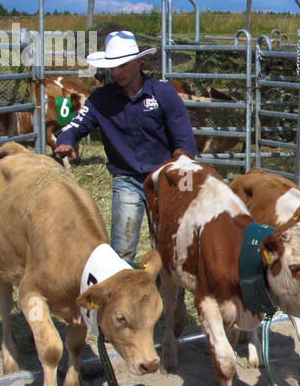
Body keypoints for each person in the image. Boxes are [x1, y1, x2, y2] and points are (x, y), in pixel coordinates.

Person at [54, 30, 197, 263]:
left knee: (168, 248)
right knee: (122, 250)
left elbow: (184, 142)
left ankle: (167, 297)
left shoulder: (163, 95)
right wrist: (66, 141)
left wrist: (179, 171)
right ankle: (124, 293)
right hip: (127, 178)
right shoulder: (101, 99)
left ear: (138, 62)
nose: (116, 72)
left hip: (165, 177)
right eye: (113, 67)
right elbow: (74, 125)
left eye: (122, 65)